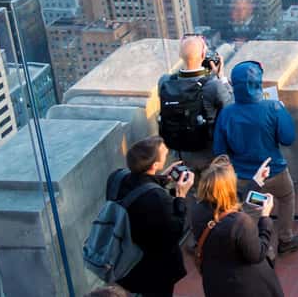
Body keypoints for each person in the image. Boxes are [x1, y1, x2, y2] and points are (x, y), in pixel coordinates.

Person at [213, 60, 298, 256]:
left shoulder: (226, 113)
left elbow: (219, 151)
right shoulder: (273, 107)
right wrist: (281, 112)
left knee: (253, 209)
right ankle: (286, 238)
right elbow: (288, 139)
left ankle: (263, 249)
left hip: (244, 177)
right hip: (273, 171)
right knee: (286, 197)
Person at [190, 154, 285, 297]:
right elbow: (258, 254)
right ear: (228, 188)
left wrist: (256, 181)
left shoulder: (197, 210)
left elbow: (230, 200)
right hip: (245, 285)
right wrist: (265, 218)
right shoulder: (239, 222)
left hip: (216, 282)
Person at [109, 136, 193, 297]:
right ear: (155, 165)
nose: (167, 151)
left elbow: (138, 189)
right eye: (164, 153)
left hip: (124, 261)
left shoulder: (116, 178)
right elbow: (175, 231)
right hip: (153, 270)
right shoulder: (158, 199)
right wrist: (181, 196)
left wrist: (159, 179)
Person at [158, 33, 233, 175]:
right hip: (210, 157)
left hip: (182, 156)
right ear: (204, 54)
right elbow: (232, 107)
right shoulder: (213, 86)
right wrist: (221, 77)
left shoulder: (165, 82)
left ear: (180, 54)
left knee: (187, 193)